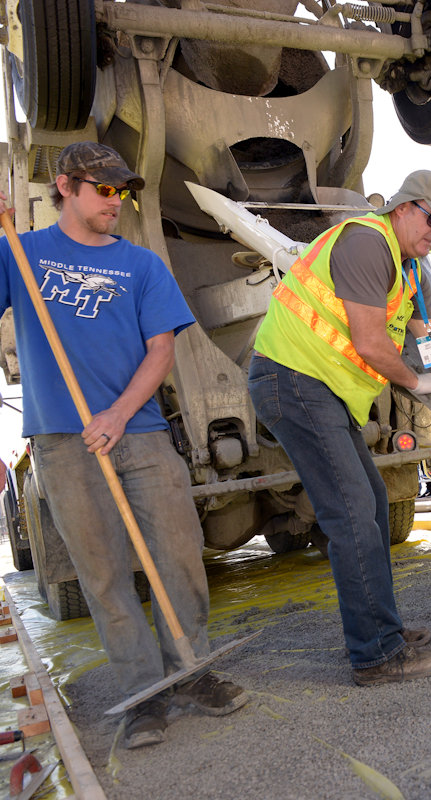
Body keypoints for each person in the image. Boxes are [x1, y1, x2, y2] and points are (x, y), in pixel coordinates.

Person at [0, 143, 247, 750]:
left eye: (122, 191)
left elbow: (161, 350)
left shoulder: (141, 265)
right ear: (66, 186)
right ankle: (145, 696)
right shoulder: (20, 254)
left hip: (139, 432)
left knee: (179, 555)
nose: (116, 201)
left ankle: (191, 672)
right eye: (104, 189)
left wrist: (117, 413)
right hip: (62, 442)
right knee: (103, 573)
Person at [249, 170, 431, 683]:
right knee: (352, 515)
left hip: (323, 389)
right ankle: (376, 656)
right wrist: (414, 380)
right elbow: (370, 342)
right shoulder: (366, 242)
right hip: (292, 379)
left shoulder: (412, 274)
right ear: (404, 207)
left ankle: (383, 628)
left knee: (368, 504)